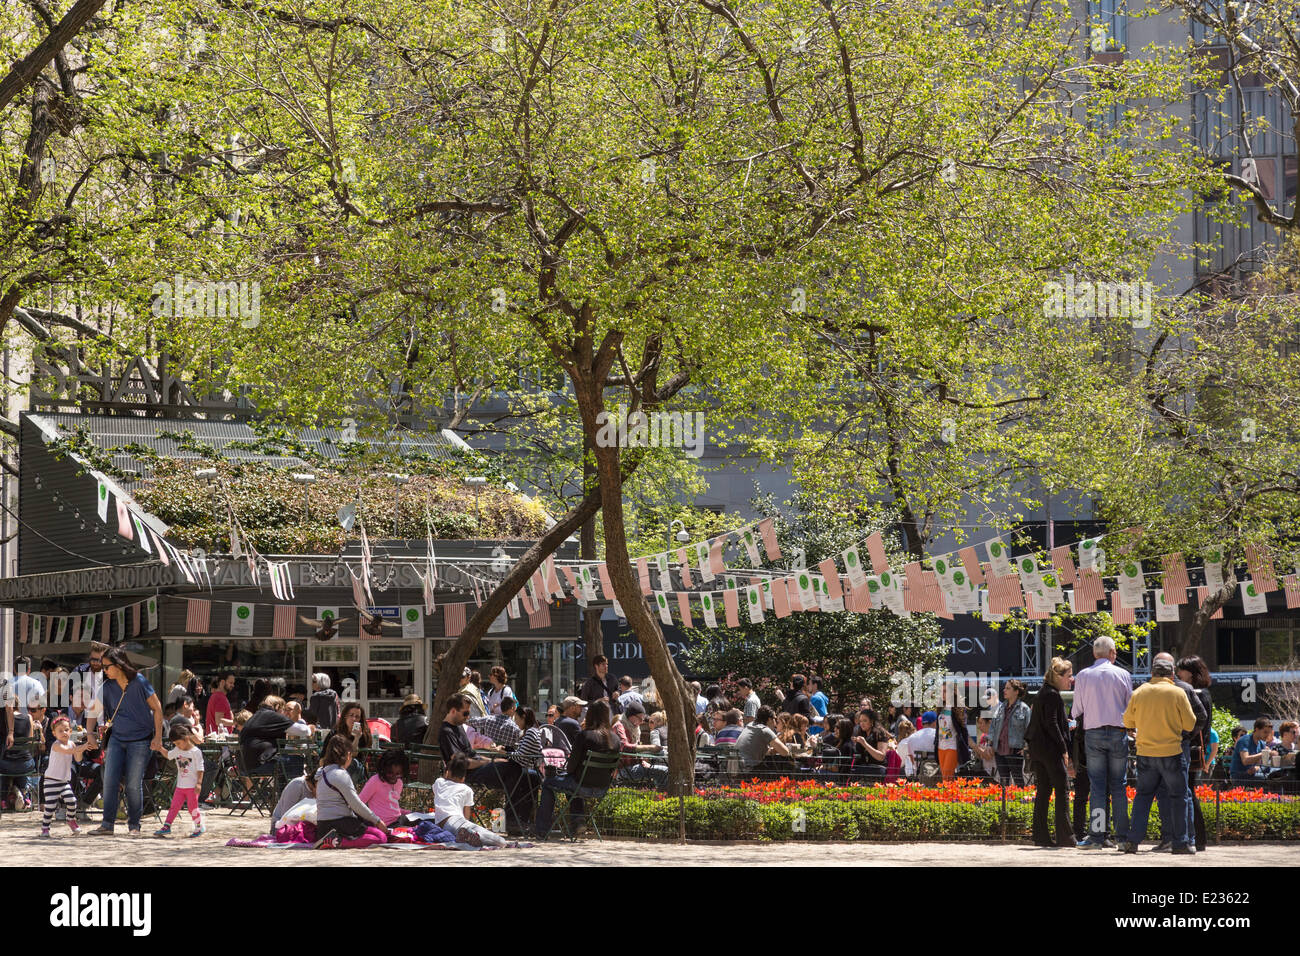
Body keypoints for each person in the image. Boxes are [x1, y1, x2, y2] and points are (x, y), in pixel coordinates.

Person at [1119, 657, 1198, 854]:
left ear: (1152, 674)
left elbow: (1127, 720)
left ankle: (1133, 840)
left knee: (1143, 797)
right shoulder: (1178, 692)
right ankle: (1180, 843)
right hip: (1172, 752)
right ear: (1172, 674)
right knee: (1179, 797)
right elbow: (1190, 723)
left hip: (1145, 753)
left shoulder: (1139, 692)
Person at [85, 647, 165, 837]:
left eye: (106, 666)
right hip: (117, 739)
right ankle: (107, 825)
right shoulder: (107, 687)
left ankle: (134, 826)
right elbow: (93, 711)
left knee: (132, 783)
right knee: (109, 780)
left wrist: (158, 736)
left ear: (119, 665)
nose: (104, 670)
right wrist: (89, 733)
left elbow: (158, 708)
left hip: (140, 740)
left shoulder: (139, 682)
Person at [1071, 635, 1133, 849]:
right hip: (1118, 732)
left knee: (1097, 786)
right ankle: (1123, 838)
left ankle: (1097, 836)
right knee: (1119, 786)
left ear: (1094, 654)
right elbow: (1130, 707)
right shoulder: (1123, 674)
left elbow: (1076, 709)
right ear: (1112, 653)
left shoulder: (1083, 675)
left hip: (1093, 734)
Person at [533, 699, 622, 839]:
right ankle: (577, 821)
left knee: (549, 783)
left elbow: (571, 768)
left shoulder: (584, 736)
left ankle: (542, 830)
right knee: (572, 783)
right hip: (602, 787)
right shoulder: (616, 740)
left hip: (581, 785)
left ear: (590, 715)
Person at [1154, 652, 1209, 853]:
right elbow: (1201, 720)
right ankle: (1188, 839)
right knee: (1183, 793)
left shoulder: (1185, 690)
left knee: (1179, 793)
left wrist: (1185, 734)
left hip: (1176, 747)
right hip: (1181, 746)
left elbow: (1201, 719)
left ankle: (1184, 838)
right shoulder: (1185, 689)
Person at [1026, 657, 1074, 848]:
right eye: (1069, 676)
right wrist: (1064, 749)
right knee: (1062, 790)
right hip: (1050, 750)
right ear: (1059, 677)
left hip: (1038, 749)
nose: (1071, 680)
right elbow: (1052, 723)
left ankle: (1040, 836)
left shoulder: (1042, 693)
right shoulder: (1052, 695)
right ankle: (1066, 837)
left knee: (1044, 791)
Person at [312, 736, 389, 849]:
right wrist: (377, 821)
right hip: (340, 823)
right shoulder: (340, 774)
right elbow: (355, 804)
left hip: (323, 826)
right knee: (380, 838)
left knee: (376, 833)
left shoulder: (322, 772)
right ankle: (334, 842)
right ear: (348, 755)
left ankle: (332, 840)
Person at [435, 753, 507, 846]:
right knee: (500, 842)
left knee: (472, 832)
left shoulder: (439, 782)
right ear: (463, 778)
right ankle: (468, 834)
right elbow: (466, 815)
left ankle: (466, 835)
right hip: (457, 821)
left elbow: (445, 779)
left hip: (442, 825)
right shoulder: (466, 789)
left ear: (448, 772)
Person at [40, 715, 91, 838]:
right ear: (54, 733)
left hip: (63, 781)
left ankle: (70, 819)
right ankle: (45, 827)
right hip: (51, 781)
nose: (64, 733)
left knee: (72, 801)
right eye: (60, 731)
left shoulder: (72, 744)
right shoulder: (56, 745)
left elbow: (77, 759)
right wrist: (82, 747)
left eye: (66, 730)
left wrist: (81, 750)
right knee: (50, 806)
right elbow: (67, 751)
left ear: (71, 731)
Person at [154, 724, 206, 838]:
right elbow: (168, 755)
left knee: (193, 807)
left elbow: (200, 768)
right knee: (174, 806)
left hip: (192, 787)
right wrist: (159, 748)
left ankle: (199, 826)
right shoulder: (177, 750)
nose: (177, 746)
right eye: (175, 744)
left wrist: (199, 783)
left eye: (178, 743)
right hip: (180, 786)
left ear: (186, 738)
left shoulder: (196, 752)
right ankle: (167, 826)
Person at [987, 679, 1030, 785]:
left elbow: (1030, 729)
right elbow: (993, 727)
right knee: (1003, 780)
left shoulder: (1024, 709)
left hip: (1015, 749)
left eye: (1008, 688)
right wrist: (990, 744)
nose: (1004, 690)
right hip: (999, 749)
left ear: (1016, 692)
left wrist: (1026, 747)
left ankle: (1021, 801)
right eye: (1004, 688)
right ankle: (1005, 802)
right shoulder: (1000, 708)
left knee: (1018, 778)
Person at [238, 696, 296, 771]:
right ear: (277, 706)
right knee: (295, 762)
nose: (284, 713)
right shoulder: (272, 716)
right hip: (258, 765)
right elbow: (303, 730)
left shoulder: (256, 716)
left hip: (244, 765)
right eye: (283, 709)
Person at [735, 706, 796, 774]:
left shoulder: (750, 725)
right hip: (748, 768)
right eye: (775, 719)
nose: (775, 723)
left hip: (737, 767)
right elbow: (785, 752)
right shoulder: (764, 730)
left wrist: (770, 751)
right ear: (769, 719)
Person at [359, 748, 408, 827]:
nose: (394, 777)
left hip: (397, 820)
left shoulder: (399, 783)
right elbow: (359, 803)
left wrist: (408, 812)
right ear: (383, 769)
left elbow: (391, 807)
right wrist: (374, 820)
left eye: (398, 774)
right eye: (390, 773)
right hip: (382, 825)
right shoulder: (375, 781)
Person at [271, 770, 317, 836]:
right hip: (281, 827)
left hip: (302, 828)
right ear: (316, 782)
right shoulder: (298, 784)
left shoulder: (315, 791)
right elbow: (285, 815)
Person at [1230, 718, 1273, 782]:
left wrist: (1256, 768)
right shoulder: (1244, 740)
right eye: (1265, 732)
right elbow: (1245, 760)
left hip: (1252, 774)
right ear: (1257, 729)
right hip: (1239, 776)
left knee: (1275, 776)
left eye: (1269, 733)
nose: (1267, 735)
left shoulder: (1261, 743)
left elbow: (1259, 764)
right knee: (1271, 780)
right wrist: (1264, 753)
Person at [851, 709, 891, 776]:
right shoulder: (861, 732)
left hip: (877, 770)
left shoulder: (880, 733)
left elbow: (881, 757)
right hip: (862, 768)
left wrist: (864, 743)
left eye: (865, 721)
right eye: (860, 721)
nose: (862, 723)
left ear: (872, 721)